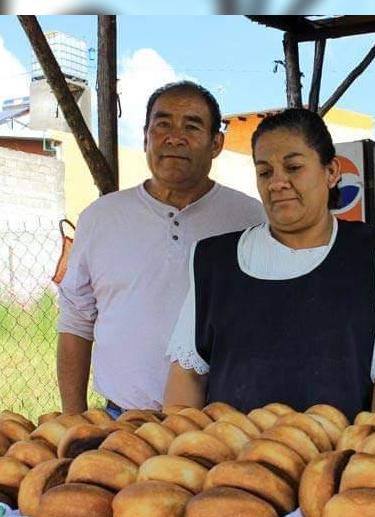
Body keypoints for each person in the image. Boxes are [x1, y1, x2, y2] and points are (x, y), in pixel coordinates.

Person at [163, 108, 375, 419]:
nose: (277, 183)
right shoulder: (212, 261)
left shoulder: (374, 253)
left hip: (342, 457)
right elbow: (188, 376)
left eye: (293, 167)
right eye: (265, 172)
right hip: (232, 461)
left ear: (331, 172)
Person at [57, 81, 265, 417]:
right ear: (145, 137)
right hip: (119, 421)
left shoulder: (249, 218)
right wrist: (73, 417)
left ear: (216, 143)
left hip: (222, 424)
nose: (174, 137)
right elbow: (76, 320)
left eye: (192, 126)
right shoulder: (101, 218)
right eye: (163, 124)